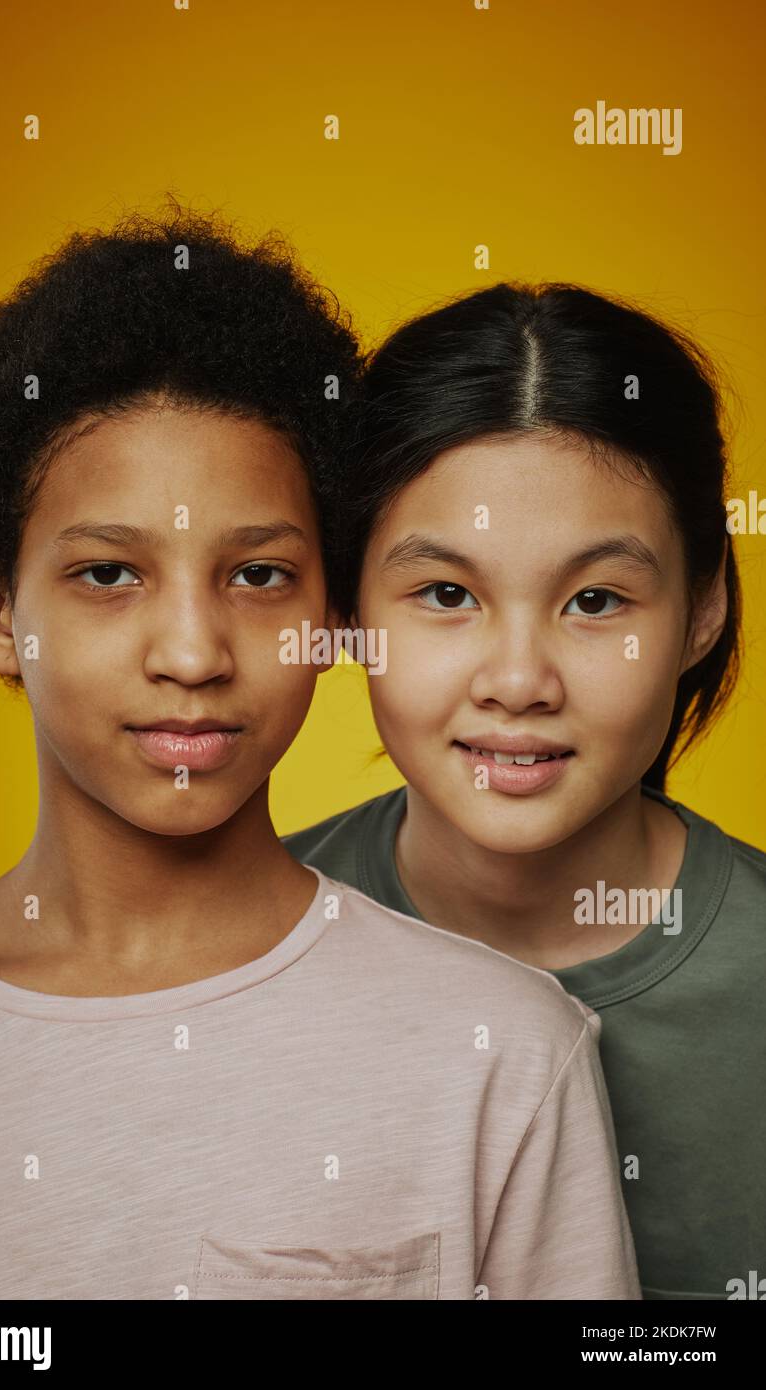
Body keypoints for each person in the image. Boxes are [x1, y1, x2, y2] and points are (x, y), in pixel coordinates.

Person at [0, 220, 639, 1300]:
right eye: (108, 573)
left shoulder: (499, 1054)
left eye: (257, 576)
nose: (194, 652)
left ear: (333, 610)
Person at [285, 281, 766, 1301]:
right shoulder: (236, 957)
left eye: (594, 600)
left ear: (701, 609)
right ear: (345, 608)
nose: (516, 679)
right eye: (445, 595)